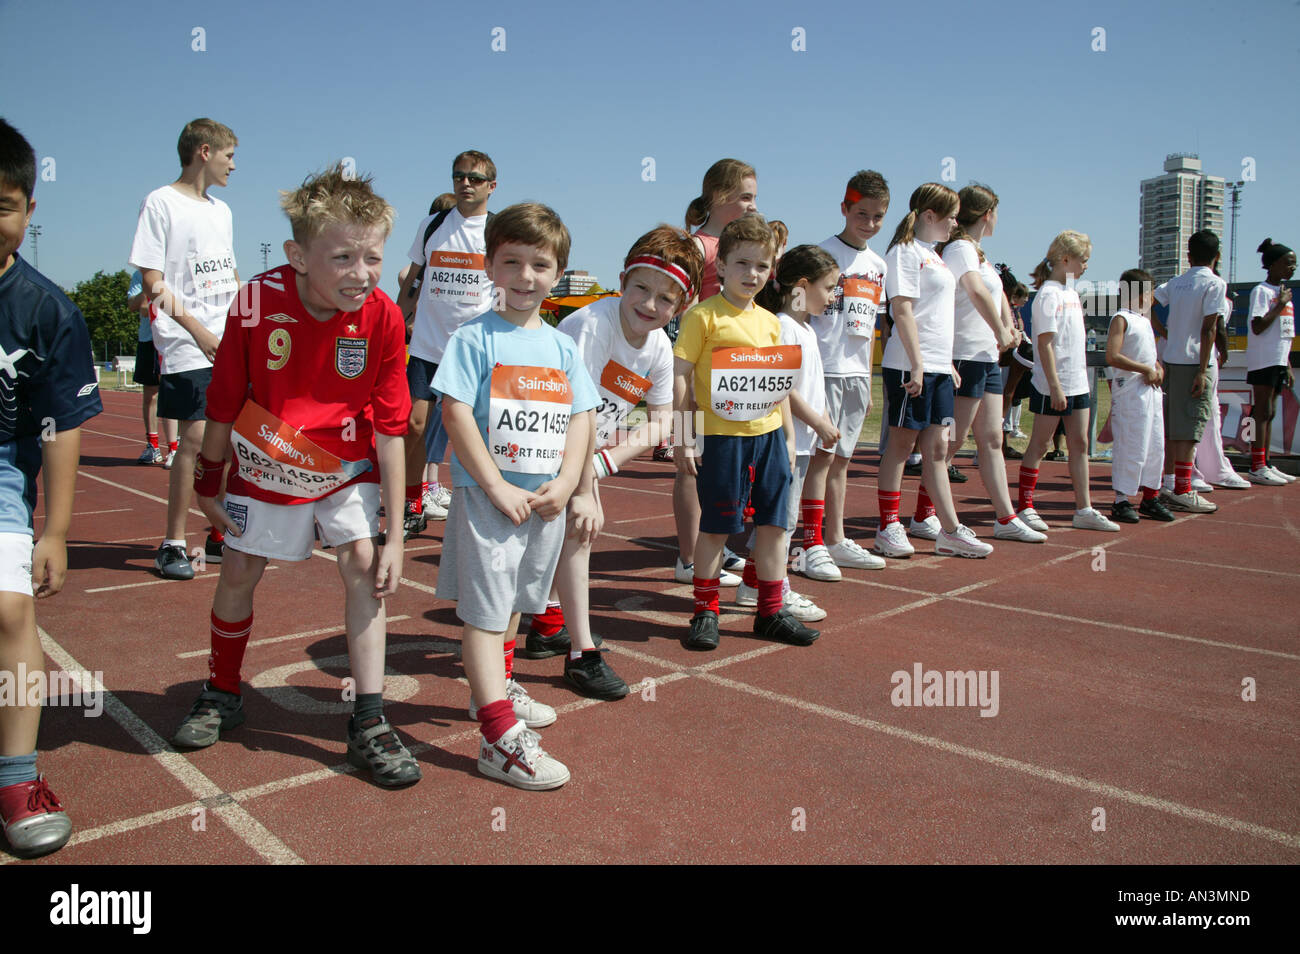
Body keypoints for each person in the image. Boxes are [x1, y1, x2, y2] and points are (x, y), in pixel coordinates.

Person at [170, 164, 422, 789]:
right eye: (342, 257)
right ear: (297, 255)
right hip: (267, 455)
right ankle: (222, 690)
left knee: (364, 564)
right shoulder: (255, 300)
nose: (361, 273)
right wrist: (208, 482)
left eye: (373, 257)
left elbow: (392, 429)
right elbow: (225, 397)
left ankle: (368, 720)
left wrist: (395, 530)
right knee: (238, 571)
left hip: (344, 465)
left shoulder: (385, 317)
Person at [433, 202, 598, 790]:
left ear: (558, 273)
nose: (526, 277)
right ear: (489, 266)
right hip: (490, 502)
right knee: (484, 615)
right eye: (512, 262)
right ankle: (497, 737)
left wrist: (570, 478)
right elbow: (455, 413)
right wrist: (496, 484)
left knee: (511, 610)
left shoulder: (561, 347)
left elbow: (582, 416)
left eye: (540, 265)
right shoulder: (474, 337)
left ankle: (500, 689)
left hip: (543, 504)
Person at [530, 225, 704, 698]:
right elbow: (576, 413)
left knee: (563, 539)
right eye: (641, 288)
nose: (649, 305)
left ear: (680, 307)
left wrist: (600, 468)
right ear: (622, 280)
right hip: (540, 443)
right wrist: (584, 488)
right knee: (573, 535)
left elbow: (662, 421)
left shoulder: (661, 348)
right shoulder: (593, 325)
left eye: (665, 299)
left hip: (580, 452)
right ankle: (581, 655)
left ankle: (547, 626)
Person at [0, 118, 103, 857]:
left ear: (29, 210)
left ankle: (17, 777)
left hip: (2, 468)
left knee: (9, 613)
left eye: (2, 204)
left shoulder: (48, 310)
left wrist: (57, 530)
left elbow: (61, 427)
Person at [674, 213, 817, 649]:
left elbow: (778, 387)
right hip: (721, 439)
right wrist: (683, 436)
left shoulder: (772, 322)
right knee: (717, 527)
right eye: (742, 264)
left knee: (774, 525)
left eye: (761, 266)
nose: (751, 274)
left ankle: (770, 612)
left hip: (770, 436)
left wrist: (789, 437)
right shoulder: (703, 317)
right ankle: (705, 611)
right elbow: (680, 379)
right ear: (722, 266)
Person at [129, 118, 240, 579]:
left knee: (231, 440)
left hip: (227, 336)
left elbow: (229, 275)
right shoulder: (160, 203)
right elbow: (153, 284)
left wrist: (244, 323)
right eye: (230, 155)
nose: (235, 165)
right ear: (205, 151)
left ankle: (217, 536)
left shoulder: (223, 211)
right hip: (186, 340)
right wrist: (197, 330)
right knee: (194, 439)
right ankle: (173, 542)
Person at [874, 183, 993, 558]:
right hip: (909, 365)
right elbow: (903, 310)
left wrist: (945, 365)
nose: (956, 223)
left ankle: (950, 530)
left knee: (938, 449)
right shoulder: (904, 252)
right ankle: (888, 525)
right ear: (929, 216)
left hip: (939, 367)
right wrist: (920, 363)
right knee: (901, 445)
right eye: (952, 216)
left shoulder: (937, 256)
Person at [394, 152, 496, 539]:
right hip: (426, 348)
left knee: (478, 432)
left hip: (473, 351)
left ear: (491, 186)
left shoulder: (498, 230)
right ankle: (413, 503)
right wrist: (396, 322)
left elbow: (503, 290)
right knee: (413, 425)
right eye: (459, 177)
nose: (465, 184)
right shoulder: (433, 224)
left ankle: (484, 505)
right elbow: (413, 283)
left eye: (474, 178)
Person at [666, 159, 758, 587]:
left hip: (727, 381)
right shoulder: (697, 246)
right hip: (691, 376)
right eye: (746, 196)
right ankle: (688, 558)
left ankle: (713, 549)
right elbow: (674, 306)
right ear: (719, 197)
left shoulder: (743, 248)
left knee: (720, 467)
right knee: (690, 465)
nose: (753, 205)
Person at [936, 185, 1042, 543]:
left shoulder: (980, 254)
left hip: (986, 356)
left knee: (993, 438)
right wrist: (1000, 328)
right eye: (997, 211)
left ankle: (1005, 516)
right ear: (987, 214)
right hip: (965, 352)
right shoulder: (960, 249)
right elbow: (975, 290)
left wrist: (1008, 328)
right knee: (952, 441)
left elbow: (994, 296)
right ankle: (924, 513)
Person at [802, 171, 890, 579]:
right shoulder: (820, 253)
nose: (869, 223)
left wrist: (869, 377)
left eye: (878, 216)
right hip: (823, 369)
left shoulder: (878, 265)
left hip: (855, 374)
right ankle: (809, 542)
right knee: (817, 460)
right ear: (844, 209)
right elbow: (799, 313)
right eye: (861, 213)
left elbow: (871, 325)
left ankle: (833, 539)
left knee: (841, 461)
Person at [748, 243, 841, 620]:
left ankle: (753, 582)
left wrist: (825, 417)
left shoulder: (805, 328)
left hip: (801, 441)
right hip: (786, 441)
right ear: (803, 285)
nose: (833, 297)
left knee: (778, 518)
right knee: (782, 520)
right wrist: (818, 422)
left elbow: (811, 385)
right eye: (829, 287)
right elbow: (784, 387)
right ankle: (776, 588)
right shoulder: (784, 327)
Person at [1014, 230, 1119, 532]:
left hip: (1078, 383)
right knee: (1041, 443)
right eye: (1083, 260)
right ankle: (1025, 505)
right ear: (1065, 259)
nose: (1087, 266)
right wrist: (1056, 386)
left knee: (1080, 443)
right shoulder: (1048, 294)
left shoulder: (1071, 293)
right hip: (1052, 385)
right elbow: (1044, 344)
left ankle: (1083, 508)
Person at [1152, 231, 1223, 513]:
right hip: (1195, 362)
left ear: (1188, 255)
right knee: (1190, 427)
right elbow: (1210, 328)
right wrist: (1203, 370)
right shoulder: (1215, 283)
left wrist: (1165, 333)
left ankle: (1170, 484)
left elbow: (1145, 304)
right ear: (1216, 256)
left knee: (1172, 426)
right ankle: (1182, 488)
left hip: (1171, 359)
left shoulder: (1176, 282)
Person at [1104, 269, 1173, 523]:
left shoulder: (1144, 321)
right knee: (1131, 445)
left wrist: (1156, 366)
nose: (1152, 297)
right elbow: (1112, 355)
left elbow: (1148, 354)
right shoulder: (1121, 319)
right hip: (1131, 392)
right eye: (1148, 292)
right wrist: (1144, 368)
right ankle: (1121, 500)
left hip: (1151, 392)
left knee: (1155, 445)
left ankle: (1150, 496)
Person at [1245, 238, 1296, 485]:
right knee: (1261, 412)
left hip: (1278, 359)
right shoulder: (1262, 291)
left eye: (1295, 264)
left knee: (1271, 412)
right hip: (1263, 359)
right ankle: (1256, 465)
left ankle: (1265, 462)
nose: (1293, 268)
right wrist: (1280, 305)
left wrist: (1286, 364)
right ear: (1273, 264)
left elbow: (1285, 332)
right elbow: (1257, 326)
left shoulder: (1283, 293)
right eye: (1288, 263)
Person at [128, 269, 178, 466]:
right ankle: (152, 445)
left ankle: (174, 447)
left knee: (171, 393)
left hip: (172, 338)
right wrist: (151, 284)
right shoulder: (140, 275)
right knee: (150, 394)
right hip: (149, 339)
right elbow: (138, 306)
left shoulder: (178, 269)